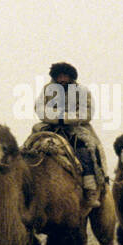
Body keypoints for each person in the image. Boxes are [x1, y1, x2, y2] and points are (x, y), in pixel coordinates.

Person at [32, 61, 105, 209]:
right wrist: (55, 118)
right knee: (31, 147)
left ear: (71, 77)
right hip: (49, 127)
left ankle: (90, 189)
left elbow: (86, 113)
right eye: (59, 76)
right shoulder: (47, 90)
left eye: (65, 76)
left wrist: (64, 118)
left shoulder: (82, 91)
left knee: (85, 150)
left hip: (75, 128)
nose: (62, 79)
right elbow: (39, 108)